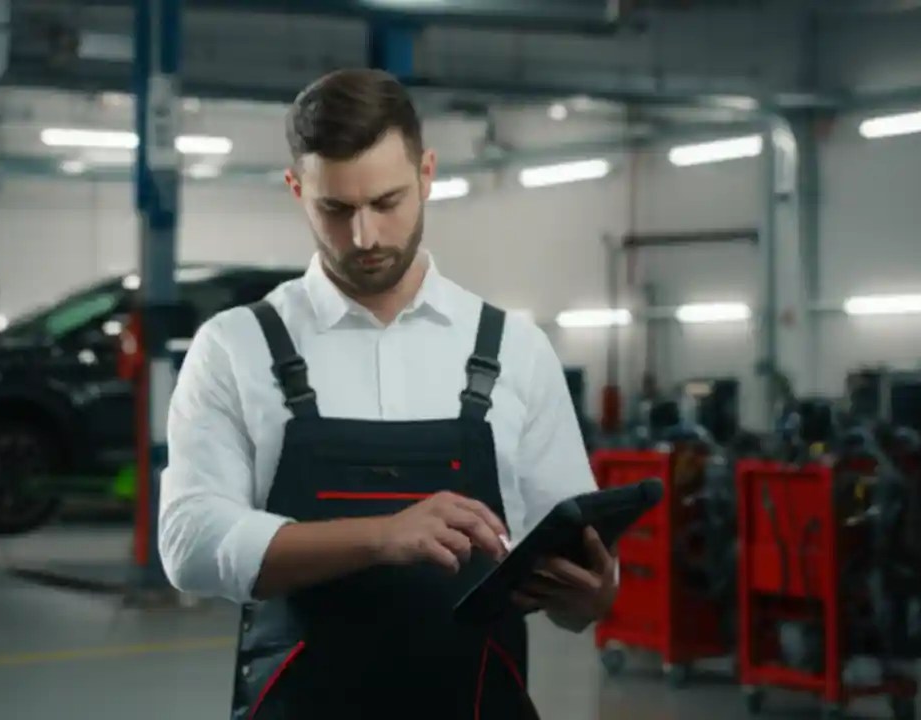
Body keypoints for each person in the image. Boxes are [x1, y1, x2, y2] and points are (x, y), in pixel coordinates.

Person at [159, 68, 618, 720]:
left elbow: (570, 554)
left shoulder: (515, 348)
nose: (365, 237)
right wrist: (381, 537)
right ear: (297, 190)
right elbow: (190, 543)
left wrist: (592, 597)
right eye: (336, 210)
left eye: (388, 202)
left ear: (427, 174)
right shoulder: (237, 347)